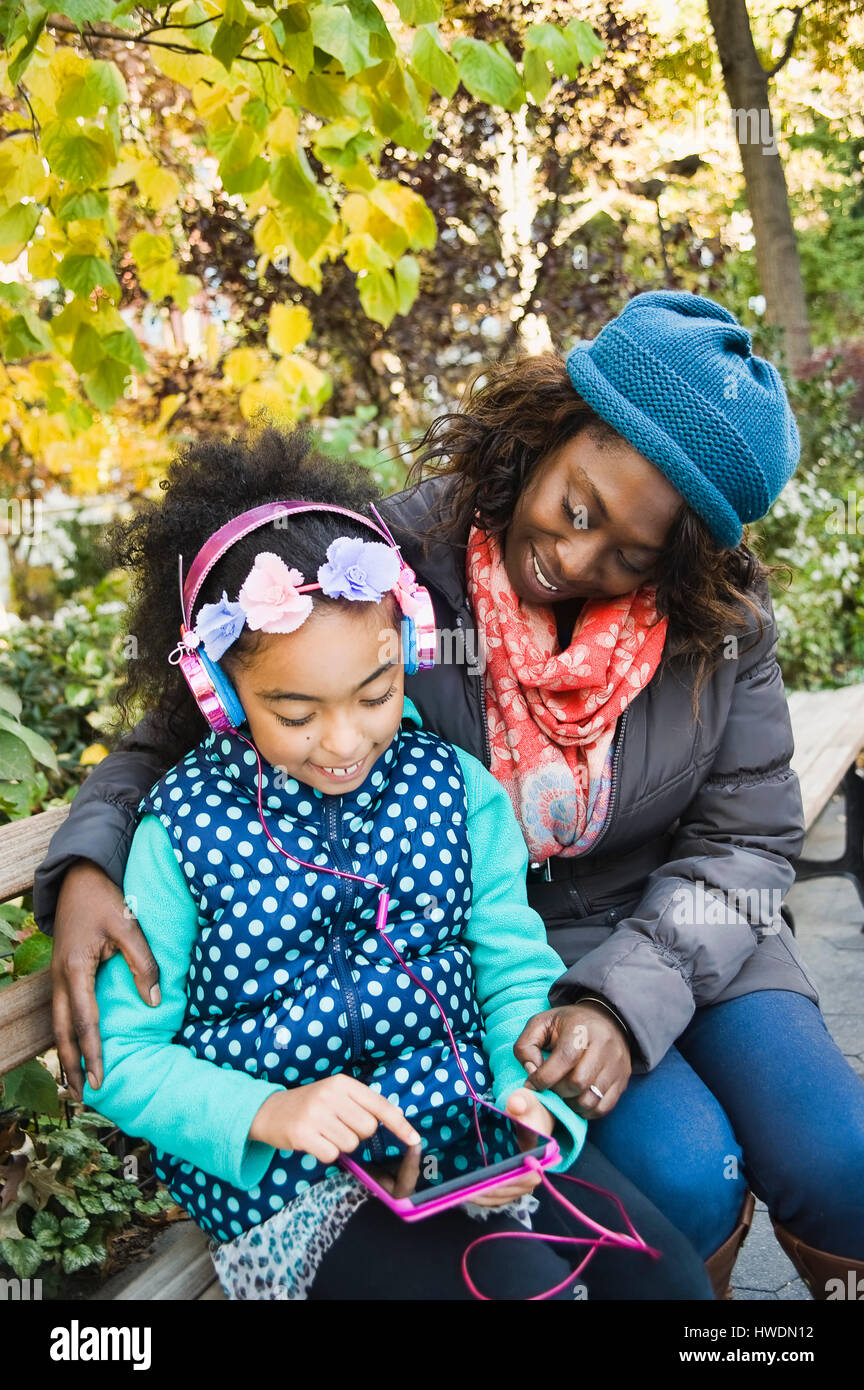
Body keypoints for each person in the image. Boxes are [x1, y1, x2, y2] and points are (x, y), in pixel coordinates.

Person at [37, 290, 864, 1299]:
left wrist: (625, 996)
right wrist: (87, 857)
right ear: (550, 430)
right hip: (531, 955)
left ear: (684, 560)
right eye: (575, 508)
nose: (572, 560)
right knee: (688, 1171)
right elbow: (190, 723)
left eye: (631, 556)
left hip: (693, 931)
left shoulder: (719, 617)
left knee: (842, 1154)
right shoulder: (375, 566)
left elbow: (747, 841)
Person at [76, 428, 711, 1300]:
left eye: (375, 696)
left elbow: (512, 975)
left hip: (467, 1135)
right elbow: (123, 1057)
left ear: (407, 653)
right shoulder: (180, 832)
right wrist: (268, 1112)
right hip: (295, 1193)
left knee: (666, 1281)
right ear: (220, 694)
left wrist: (533, 1105)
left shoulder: (459, 793)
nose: (343, 742)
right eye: (295, 713)